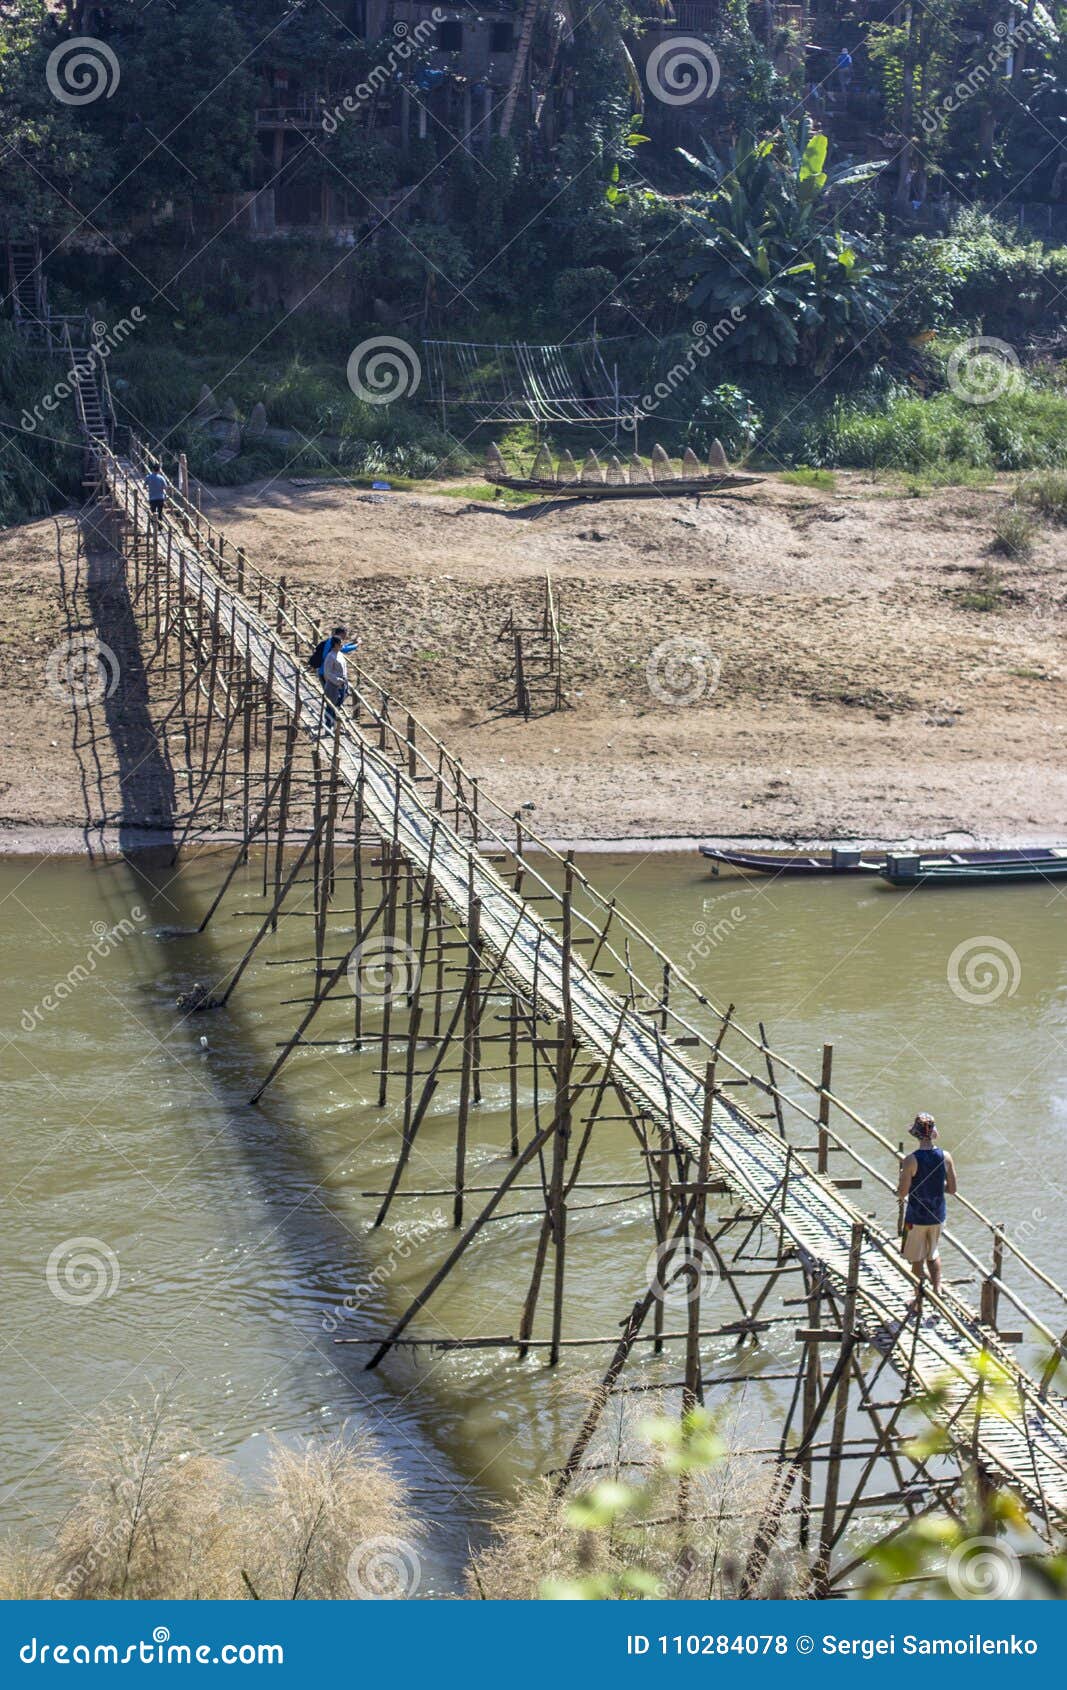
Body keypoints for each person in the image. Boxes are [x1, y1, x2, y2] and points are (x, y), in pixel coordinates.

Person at [897, 1112, 956, 1299]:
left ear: (916, 1134)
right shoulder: (946, 1157)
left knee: (916, 1259)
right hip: (938, 1215)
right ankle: (937, 1288)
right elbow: (953, 1189)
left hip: (916, 1217)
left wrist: (899, 1186)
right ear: (933, 1133)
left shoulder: (910, 1160)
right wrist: (936, 1188)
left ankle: (917, 1296)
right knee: (933, 1252)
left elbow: (903, 1192)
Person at [317, 625, 358, 731]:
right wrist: (338, 681)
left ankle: (333, 724)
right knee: (331, 703)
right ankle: (329, 725)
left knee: (337, 703)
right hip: (332, 681)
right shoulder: (331, 654)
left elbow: (342, 650)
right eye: (340, 644)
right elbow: (328, 672)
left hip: (338, 681)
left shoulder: (337, 650)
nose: (342, 645)